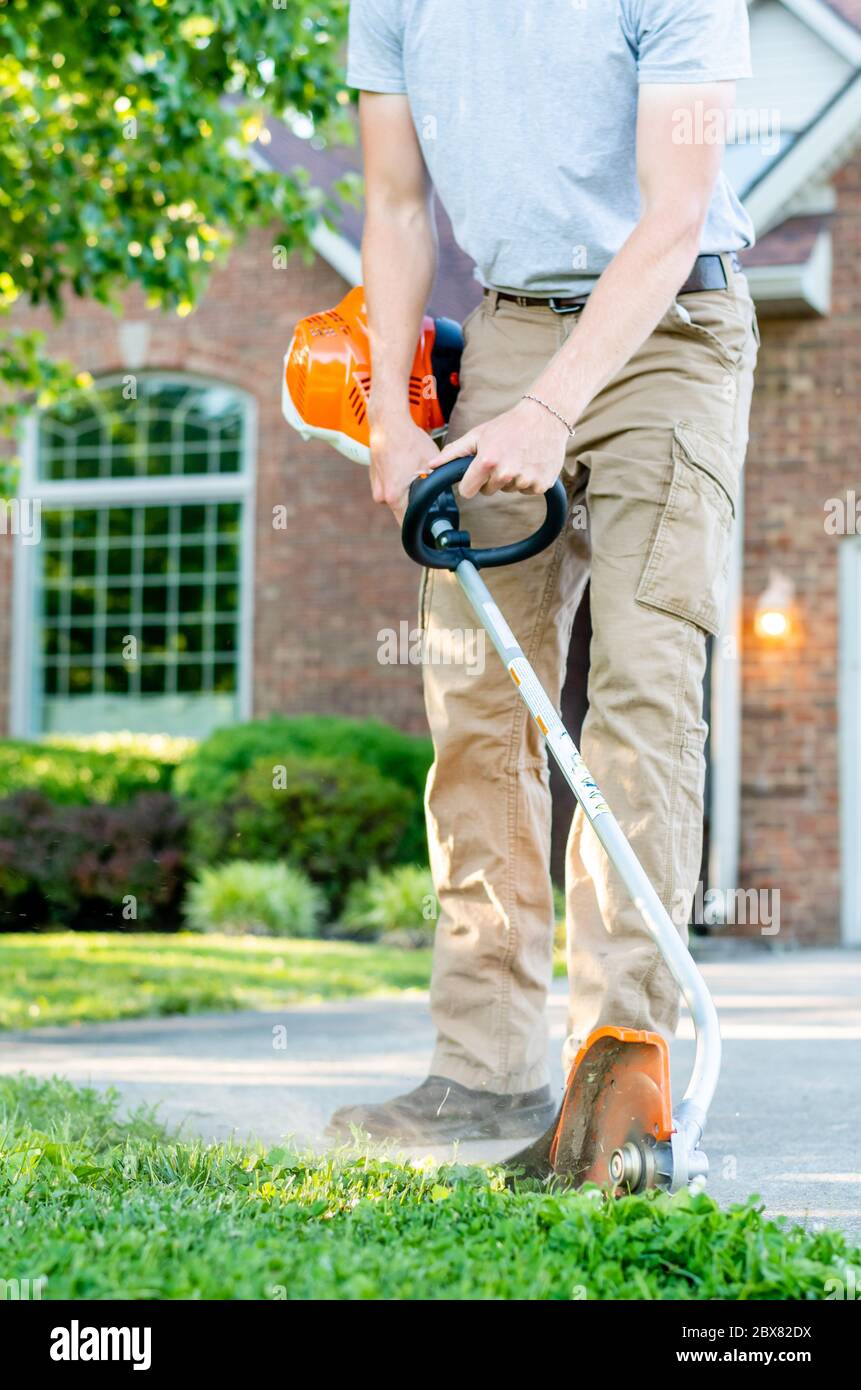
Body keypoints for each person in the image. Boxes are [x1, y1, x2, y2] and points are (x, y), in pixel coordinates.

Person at [328, 0, 758, 1144]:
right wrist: (386, 410)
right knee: (476, 703)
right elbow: (395, 203)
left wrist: (552, 409)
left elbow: (672, 219)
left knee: (641, 696)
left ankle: (619, 1079)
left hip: (672, 329)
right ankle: (482, 1067)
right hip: (512, 319)